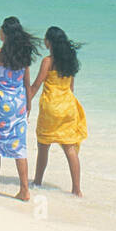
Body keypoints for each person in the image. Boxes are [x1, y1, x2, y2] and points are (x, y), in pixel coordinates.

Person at [0, 16, 40, 201]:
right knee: (19, 146)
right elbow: (26, 82)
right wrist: (28, 104)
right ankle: (24, 190)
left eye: (1, 29)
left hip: (0, 103)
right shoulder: (24, 55)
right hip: (18, 103)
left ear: (5, 33)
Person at [29, 26, 88, 196]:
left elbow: (36, 84)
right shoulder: (70, 60)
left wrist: (26, 103)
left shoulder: (48, 61)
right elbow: (71, 87)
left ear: (49, 42)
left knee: (43, 146)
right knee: (70, 148)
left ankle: (37, 182)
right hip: (68, 106)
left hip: (51, 107)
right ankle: (76, 189)